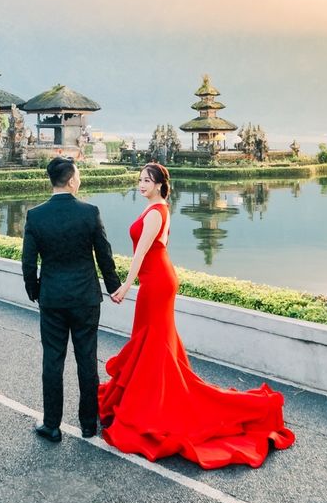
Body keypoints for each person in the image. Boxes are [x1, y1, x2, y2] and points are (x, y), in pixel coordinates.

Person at [99, 162, 295, 469]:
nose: (141, 184)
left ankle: (157, 404)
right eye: (139, 180)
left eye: (146, 180)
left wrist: (126, 286)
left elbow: (141, 253)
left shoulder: (155, 212)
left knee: (153, 341)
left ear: (160, 184)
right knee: (154, 340)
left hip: (157, 281)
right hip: (157, 278)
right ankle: (154, 398)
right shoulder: (159, 208)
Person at [22, 156, 121, 443]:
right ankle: (88, 424)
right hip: (85, 298)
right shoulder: (89, 212)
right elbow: (104, 254)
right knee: (87, 360)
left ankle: (52, 425)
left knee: (52, 360)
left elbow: (29, 262)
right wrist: (113, 286)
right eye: (77, 176)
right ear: (71, 180)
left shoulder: (35, 215)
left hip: (52, 298)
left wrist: (35, 291)